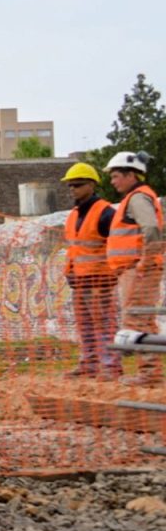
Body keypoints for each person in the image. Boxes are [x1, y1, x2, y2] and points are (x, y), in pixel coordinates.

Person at [106, 150, 163, 384]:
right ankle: (150, 372)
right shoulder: (135, 198)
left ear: (132, 175)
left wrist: (145, 261)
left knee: (138, 320)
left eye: (116, 175)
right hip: (135, 269)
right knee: (142, 320)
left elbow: (150, 229)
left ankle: (148, 374)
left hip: (138, 270)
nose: (112, 181)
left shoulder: (138, 198)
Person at [62, 162, 120, 380]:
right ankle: (90, 364)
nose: (73, 189)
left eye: (77, 185)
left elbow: (116, 246)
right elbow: (75, 247)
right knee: (85, 324)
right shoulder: (74, 215)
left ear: (92, 185)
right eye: (70, 186)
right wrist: (70, 272)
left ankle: (110, 367)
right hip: (79, 280)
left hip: (100, 279)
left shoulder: (105, 213)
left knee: (104, 323)